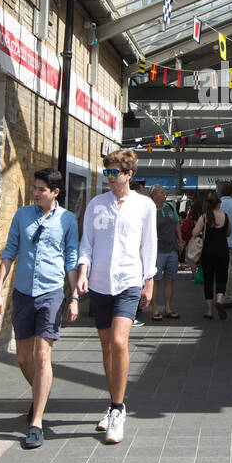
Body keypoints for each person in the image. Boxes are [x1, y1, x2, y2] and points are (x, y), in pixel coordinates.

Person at [0, 168, 79, 450]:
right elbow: (9, 253)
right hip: (23, 292)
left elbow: (71, 258)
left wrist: (74, 294)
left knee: (43, 356)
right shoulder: (22, 216)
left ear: (55, 192)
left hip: (51, 293)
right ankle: (40, 392)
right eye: (35, 187)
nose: (36, 193)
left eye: (41, 189)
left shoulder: (67, 220)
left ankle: (36, 422)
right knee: (24, 358)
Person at [76, 149, 157, 444]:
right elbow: (87, 243)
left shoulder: (145, 206)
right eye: (106, 172)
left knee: (120, 341)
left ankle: (117, 409)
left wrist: (150, 282)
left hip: (129, 281)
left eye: (114, 172)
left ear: (129, 174)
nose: (109, 178)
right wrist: (83, 272)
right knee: (106, 347)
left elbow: (149, 246)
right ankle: (113, 402)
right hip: (99, 283)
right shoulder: (97, 205)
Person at [194, 191, 231, 319]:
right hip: (223, 251)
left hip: (207, 252)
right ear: (218, 204)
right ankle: (219, 301)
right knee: (222, 278)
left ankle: (209, 311)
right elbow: (228, 233)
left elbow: (194, 233)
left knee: (208, 281)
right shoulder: (225, 216)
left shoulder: (204, 217)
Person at [150, 186, 183, 319]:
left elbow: (176, 223)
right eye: (162, 192)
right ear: (154, 195)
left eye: (164, 192)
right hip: (157, 251)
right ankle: (154, 309)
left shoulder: (170, 207)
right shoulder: (150, 209)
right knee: (155, 280)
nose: (165, 194)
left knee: (170, 279)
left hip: (171, 249)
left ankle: (168, 307)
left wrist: (180, 240)